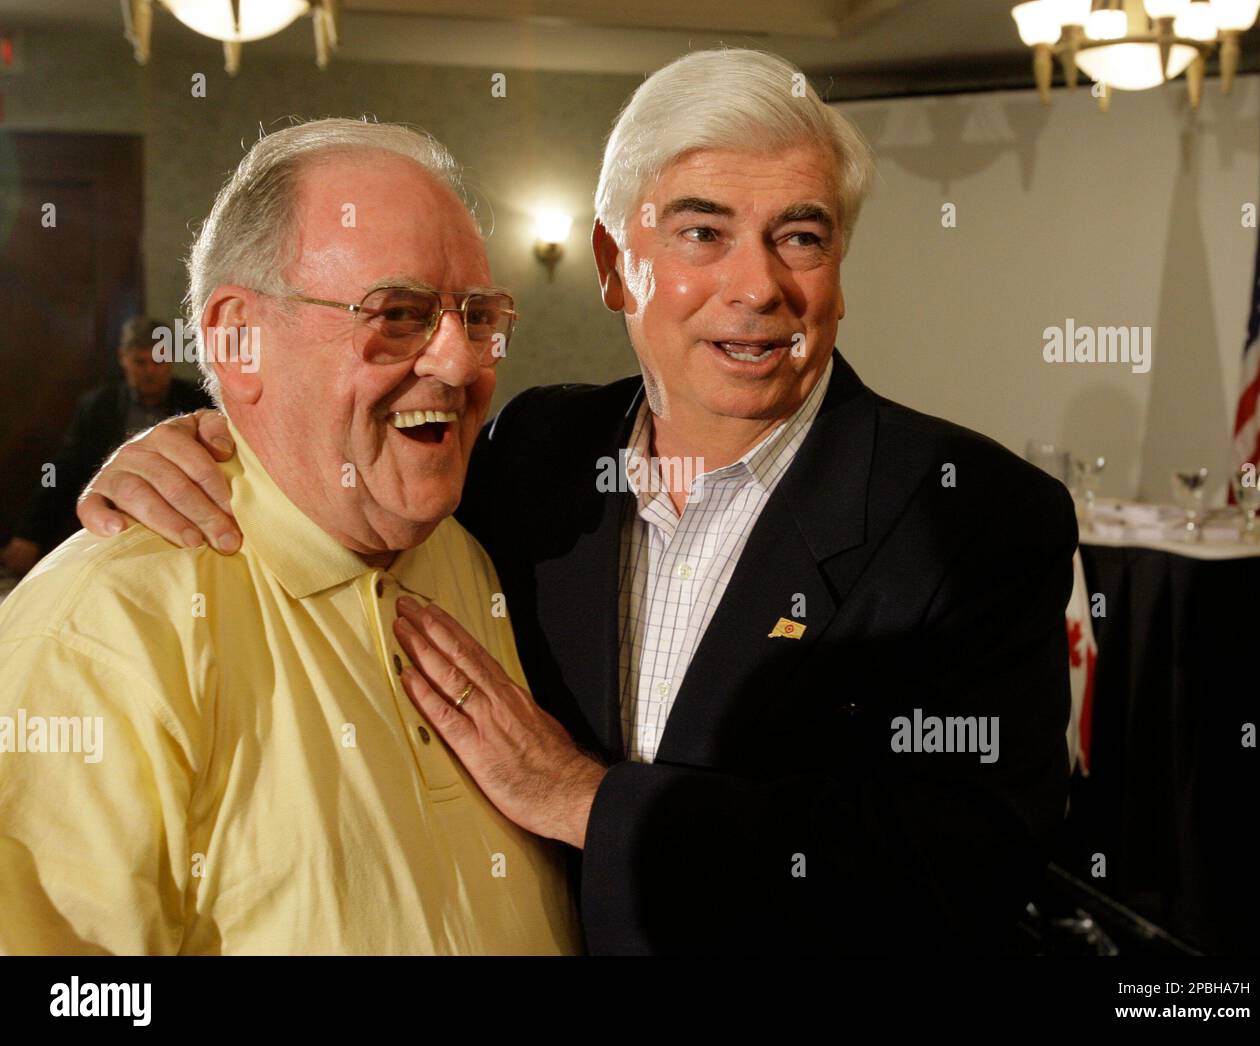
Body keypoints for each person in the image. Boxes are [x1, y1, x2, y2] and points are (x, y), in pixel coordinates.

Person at [77, 50, 1078, 955]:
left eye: (800, 236)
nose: (758, 284)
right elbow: (349, 467)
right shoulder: (535, 456)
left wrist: (592, 802)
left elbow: (964, 869)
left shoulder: (976, 517)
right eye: (702, 230)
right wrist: (205, 442)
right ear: (612, 266)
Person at [0, 120, 580, 954]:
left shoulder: (473, 552)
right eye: (400, 314)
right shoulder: (101, 636)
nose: (459, 364)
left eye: (477, 316)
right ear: (238, 339)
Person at [0, 317, 209, 577]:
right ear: (123, 358)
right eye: (140, 362)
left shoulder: (199, 401)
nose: (150, 371)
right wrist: (29, 533)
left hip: (184, 525)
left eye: (159, 361)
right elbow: (62, 469)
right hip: (111, 526)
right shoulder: (98, 405)